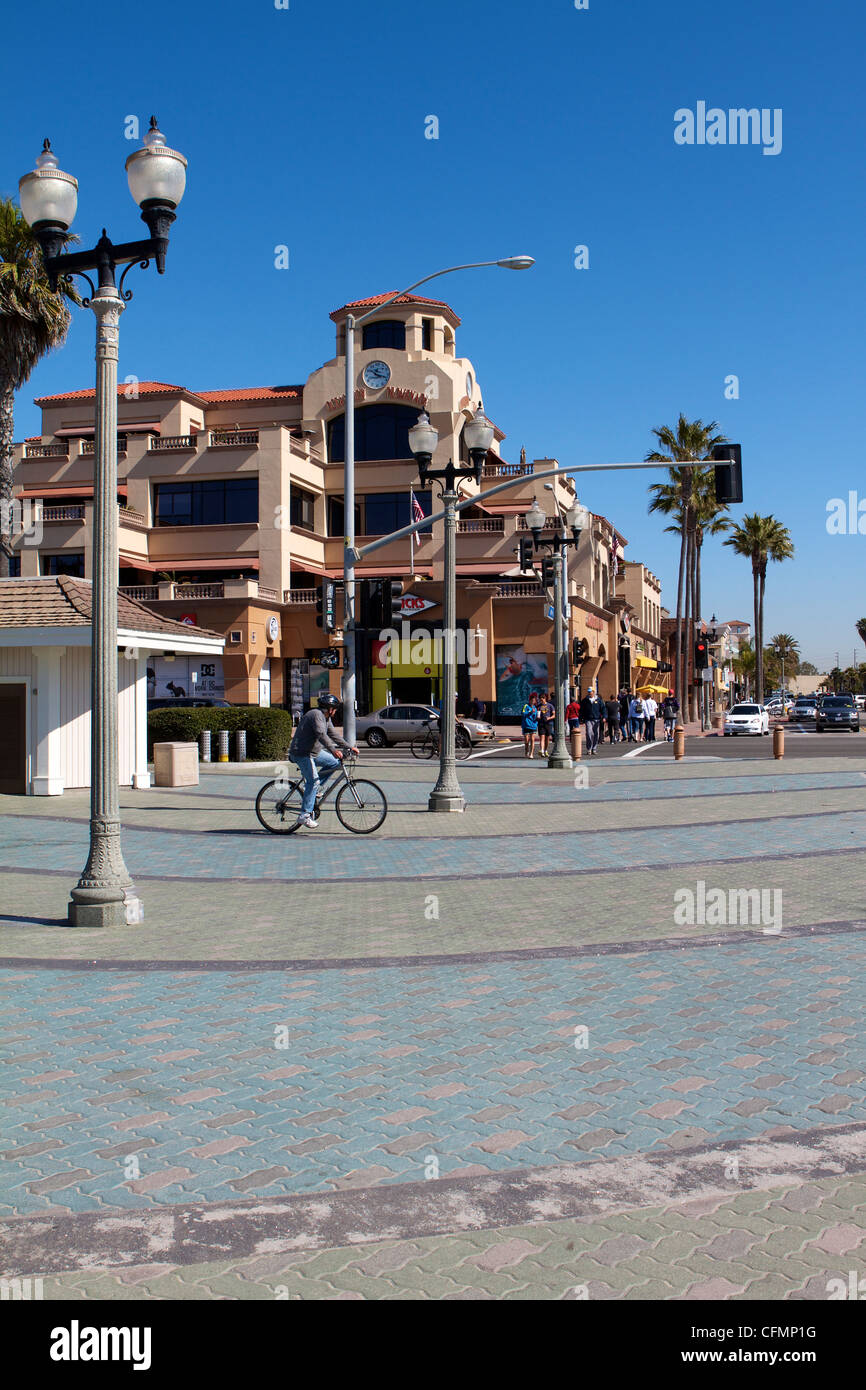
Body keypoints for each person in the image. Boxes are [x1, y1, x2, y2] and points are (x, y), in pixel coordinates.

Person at [288, 692, 357, 828]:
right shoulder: (316, 715)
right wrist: (333, 750)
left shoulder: (326, 718)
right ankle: (305, 815)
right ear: (329, 709)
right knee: (313, 781)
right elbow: (321, 734)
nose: (336, 711)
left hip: (314, 752)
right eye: (335, 708)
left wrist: (349, 747)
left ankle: (314, 790)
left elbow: (332, 734)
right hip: (301, 753)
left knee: (335, 763)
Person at [579, 687, 604, 755]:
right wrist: (581, 718)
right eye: (588, 692)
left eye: (590, 691)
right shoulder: (585, 701)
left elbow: (603, 709)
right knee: (589, 733)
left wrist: (604, 717)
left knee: (596, 734)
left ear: (593, 692)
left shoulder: (598, 700)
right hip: (588, 719)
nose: (589, 693)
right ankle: (589, 748)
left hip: (596, 719)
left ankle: (594, 748)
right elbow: (581, 710)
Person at [521, 692, 540, 758]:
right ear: (530, 700)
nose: (533, 701)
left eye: (534, 700)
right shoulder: (526, 706)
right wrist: (530, 712)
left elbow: (536, 716)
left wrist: (538, 718)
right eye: (532, 700)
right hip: (526, 725)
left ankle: (531, 753)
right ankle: (526, 751)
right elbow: (523, 714)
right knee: (526, 740)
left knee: (532, 739)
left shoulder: (536, 708)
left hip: (533, 725)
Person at [537, 691, 555, 756]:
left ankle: (545, 750)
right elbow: (538, 713)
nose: (541, 701)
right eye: (540, 700)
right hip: (541, 723)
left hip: (549, 723)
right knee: (542, 737)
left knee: (547, 738)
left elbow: (554, 715)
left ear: (545, 699)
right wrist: (538, 717)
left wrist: (549, 718)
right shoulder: (539, 706)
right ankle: (541, 750)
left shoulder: (550, 705)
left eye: (542, 699)